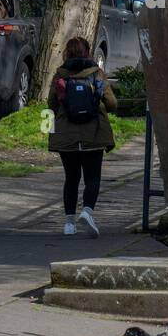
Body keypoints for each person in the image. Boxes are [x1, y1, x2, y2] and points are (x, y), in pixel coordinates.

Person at [47, 36, 116, 237]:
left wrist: (50, 129)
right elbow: (112, 104)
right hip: (93, 134)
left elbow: (50, 104)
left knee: (71, 178)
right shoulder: (97, 74)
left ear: (67, 53)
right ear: (87, 52)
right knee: (92, 178)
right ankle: (87, 211)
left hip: (67, 136)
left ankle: (69, 223)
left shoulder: (60, 74)